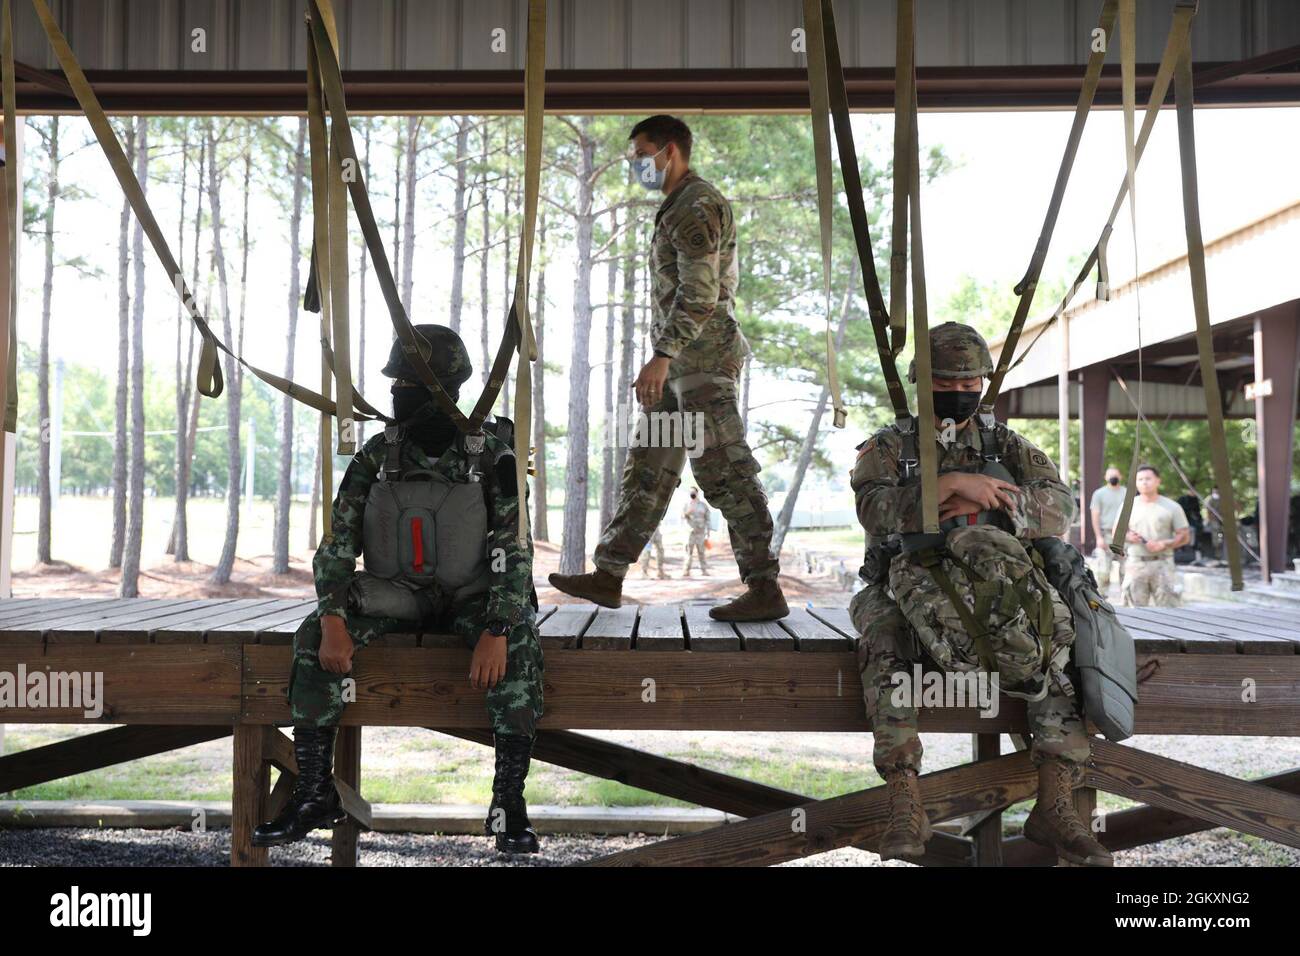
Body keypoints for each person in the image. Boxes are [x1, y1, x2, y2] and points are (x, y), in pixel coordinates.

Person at [252, 325, 545, 855]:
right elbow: (338, 542)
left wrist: (499, 628)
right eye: (395, 384)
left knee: (520, 647)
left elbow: (514, 549)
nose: (395, 393)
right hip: (398, 595)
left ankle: (508, 803)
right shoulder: (377, 455)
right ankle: (315, 792)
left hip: (472, 598)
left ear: (441, 391)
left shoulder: (492, 455)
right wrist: (333, 621)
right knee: (312, 635)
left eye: (406, 384)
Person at [851, 322, 1110, 867]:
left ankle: (1055, 802)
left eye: (970, 383)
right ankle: (904, 799)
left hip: (992, 583)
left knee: (1049, 634)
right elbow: (873, 511)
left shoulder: (1003, 443)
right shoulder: (890, 446)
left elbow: (1060, 506)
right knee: (884, 638)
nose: (959, 391)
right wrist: (945, 486)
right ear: (922, 383)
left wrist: (991, 503)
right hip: (903, 583)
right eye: (946, 381)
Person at [549, 114, 787, 621]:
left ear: (670, 151)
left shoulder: (695, 205)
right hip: (680, 366)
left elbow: (700, 295)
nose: (636, 165)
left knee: (725, 473)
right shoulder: (678, 206)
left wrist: (662, 356)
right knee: (648, 468)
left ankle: (765, 586)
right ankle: (609, 574)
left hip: (701, 363)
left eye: (642, 155)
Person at [1120, 464, 1189, 607]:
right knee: (1134, 612)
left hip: (1163, 563)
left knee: (1169, 611)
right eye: (1140, 479)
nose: (1144, 482)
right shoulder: (1128, 505)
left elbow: (1184, 536)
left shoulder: (1172, 507)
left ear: (1158, 481)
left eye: (1148, 479)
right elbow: (1117, 531)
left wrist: (1164, 544)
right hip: (1136, 564)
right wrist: (1128, 537)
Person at [1089, 466, 1127, 586]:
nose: (1113, 477)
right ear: (1105, 477)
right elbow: (1095, 516)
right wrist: (1098, 537)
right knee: (1103, 572)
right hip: (1106, 535)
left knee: (1126, 571)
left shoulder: (1127, 493)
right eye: (1110, 475)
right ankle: (1102, 596)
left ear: (1121, 477)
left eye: (1115, 475)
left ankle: (1125, 596)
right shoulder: (1099, 494)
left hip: (1125, 536)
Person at [682, 487, 711, 576]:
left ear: (697, 493)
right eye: (691, 492)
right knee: (688, 552)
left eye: (694, 492)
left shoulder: (703, 505)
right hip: (690, 533)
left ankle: (704, 570)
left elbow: (708, 518)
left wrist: (708, 532)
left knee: (701, 552)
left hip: (700, 533)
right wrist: (688, 512)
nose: (692, 494)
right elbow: (682, 516)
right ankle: (686, 570)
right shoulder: (686, 505)